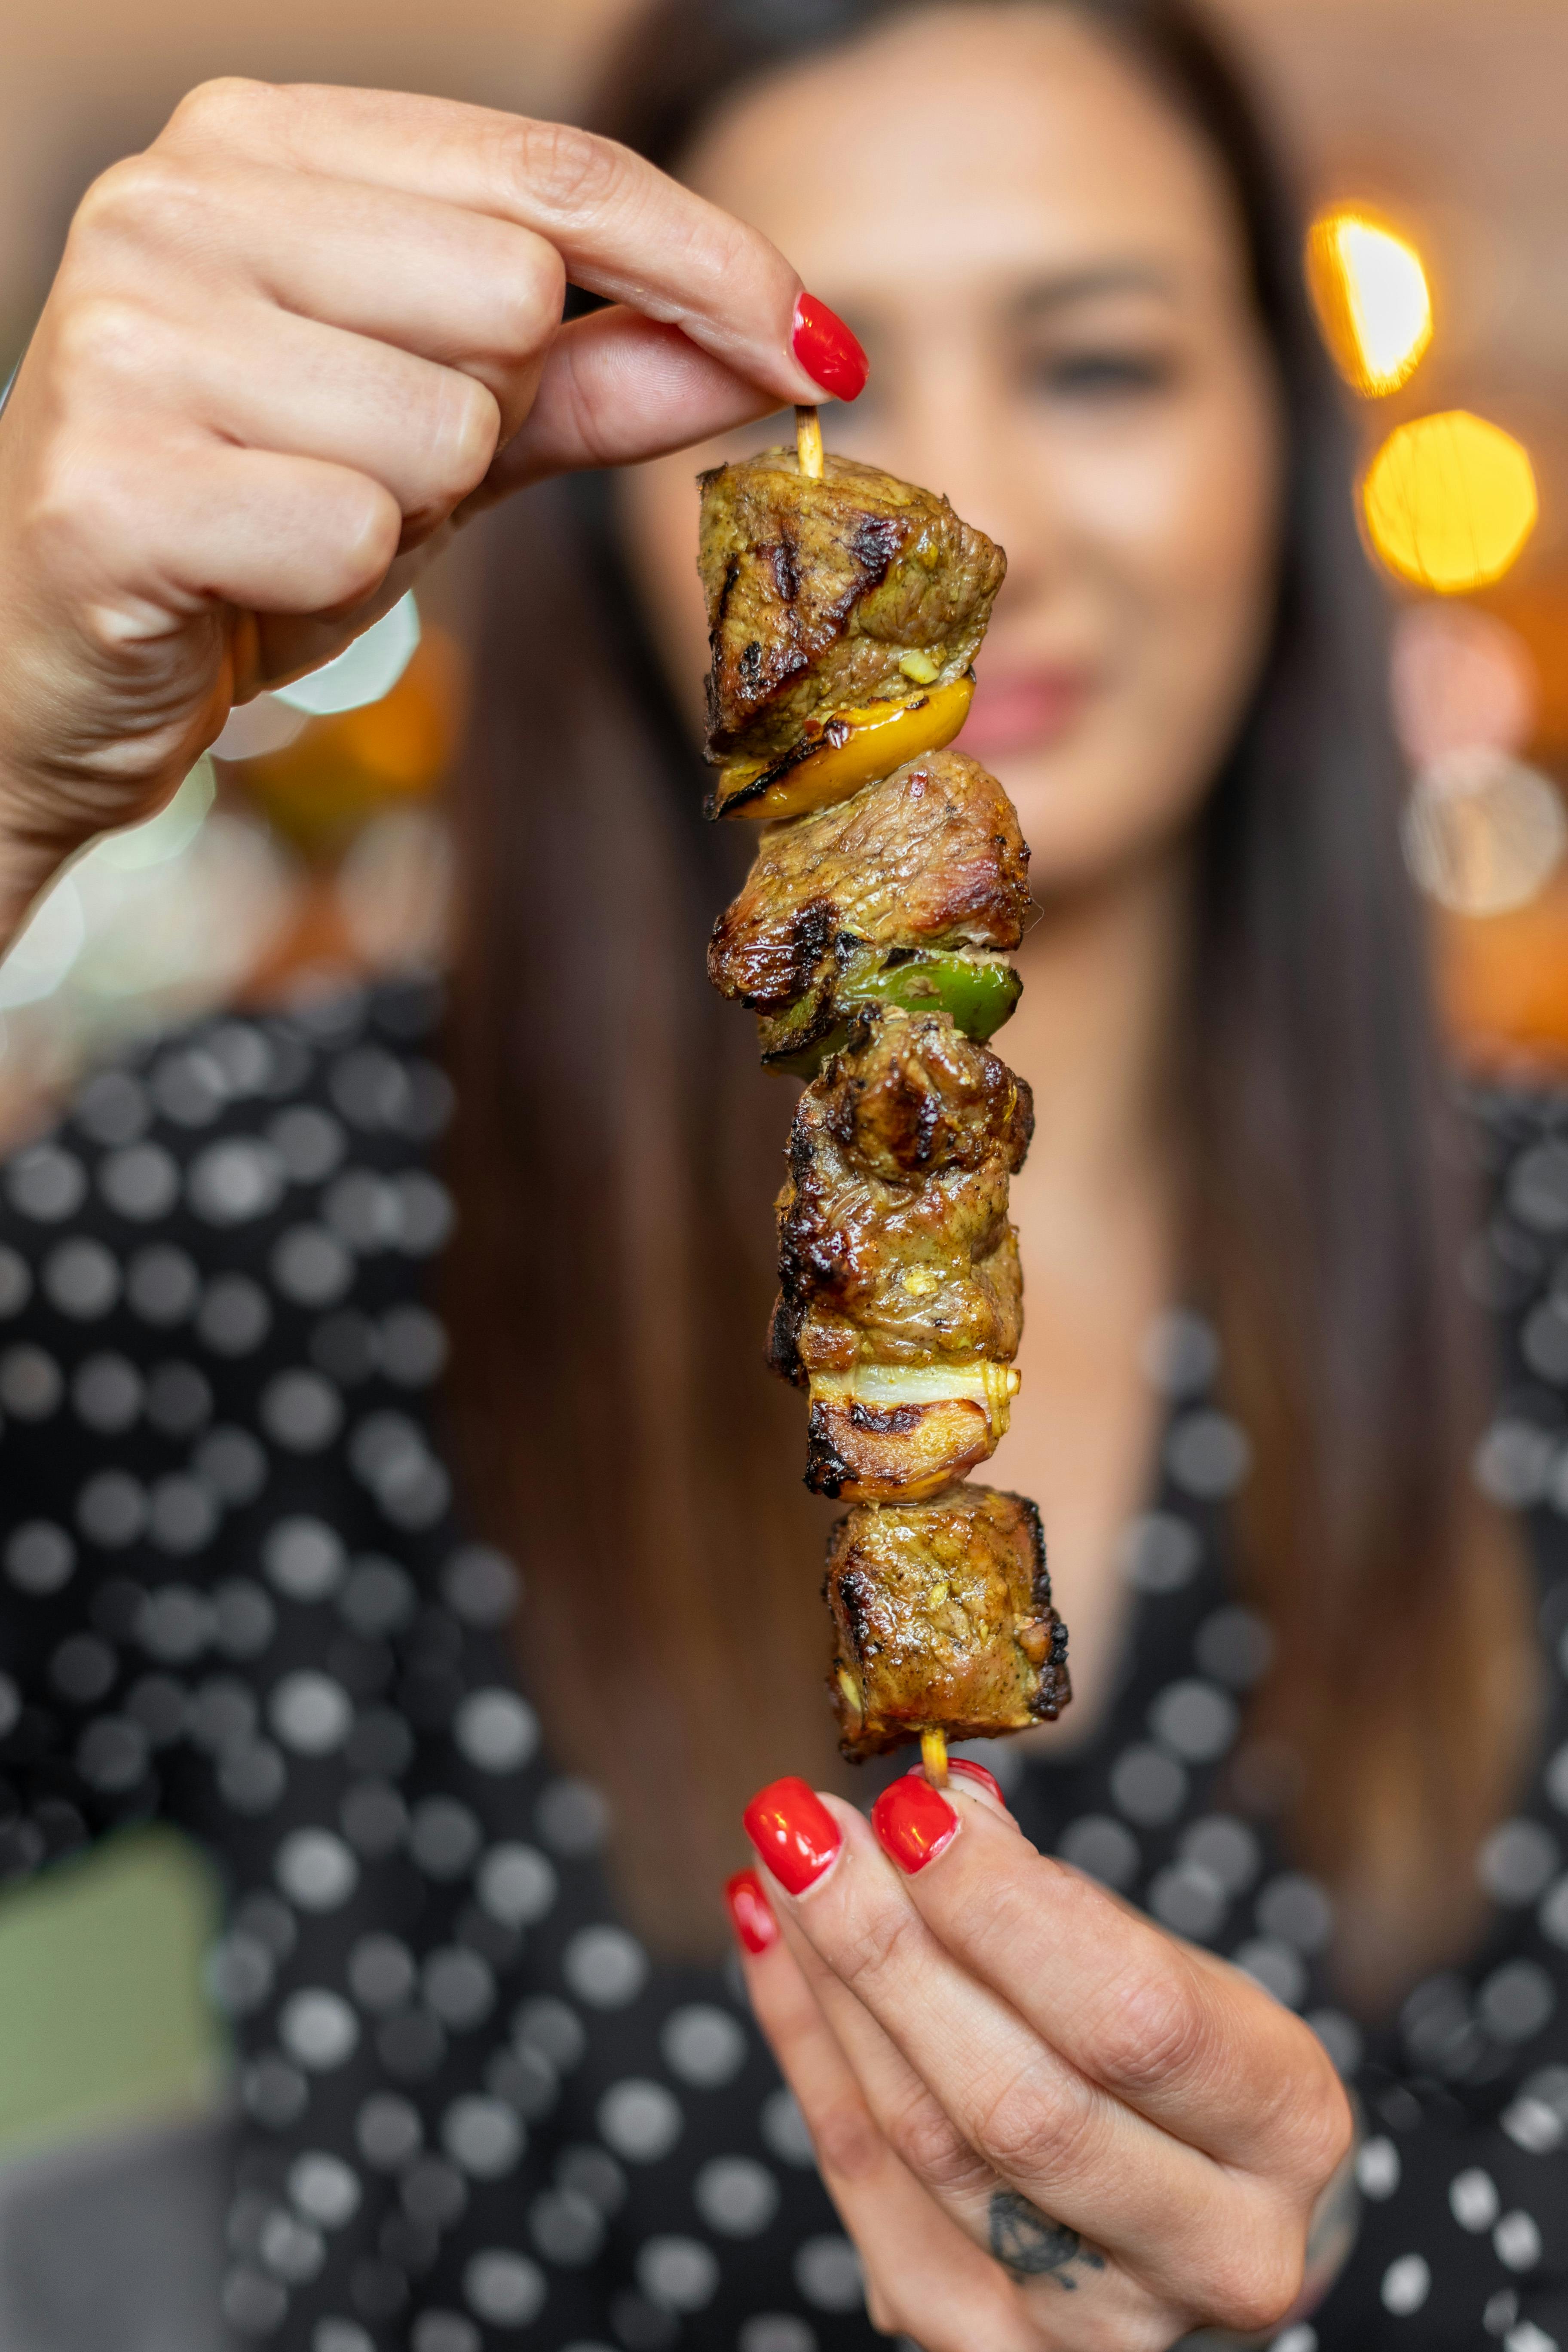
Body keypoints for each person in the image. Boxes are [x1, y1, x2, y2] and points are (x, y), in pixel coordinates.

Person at [0, 3, 1560, 2347]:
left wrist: (1380, 2292)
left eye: (1100, 364)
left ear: (1284, 430)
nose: (961, 516)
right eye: (798, 400)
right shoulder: (271, 1211)